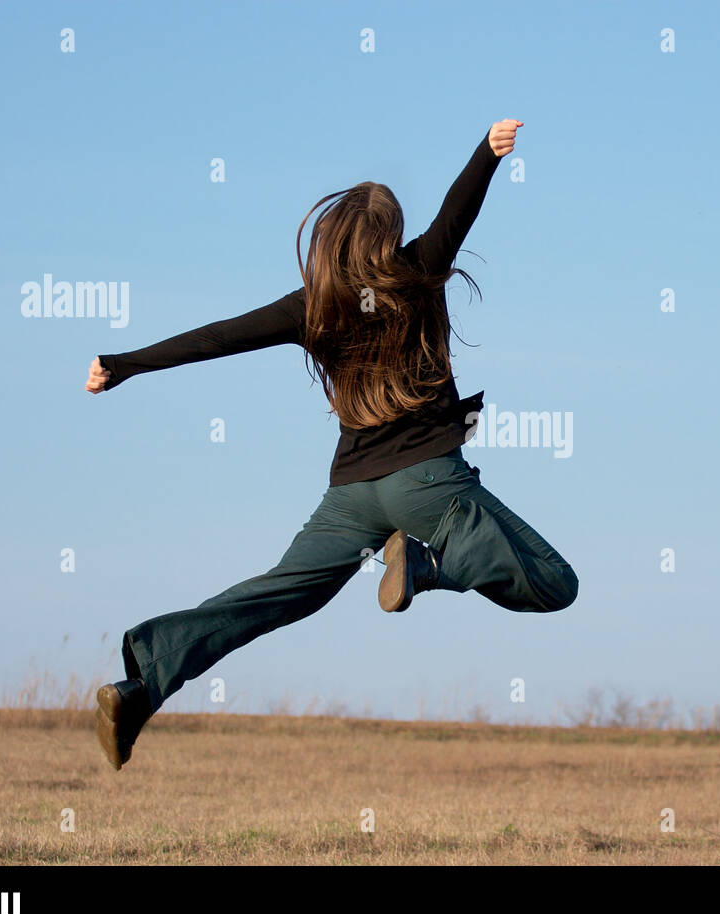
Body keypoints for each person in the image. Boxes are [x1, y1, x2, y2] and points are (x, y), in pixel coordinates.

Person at [85, 120, 578, 770]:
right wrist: (486, 152)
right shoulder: (418, 271)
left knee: (267, 597)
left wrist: (124, 362)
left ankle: (142, 685)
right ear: (391, 234)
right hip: (427, 483)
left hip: (350, 497)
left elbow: (216, 337)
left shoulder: (314, 306)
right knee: (555, 581)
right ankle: (425, 567)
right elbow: (459, 213)